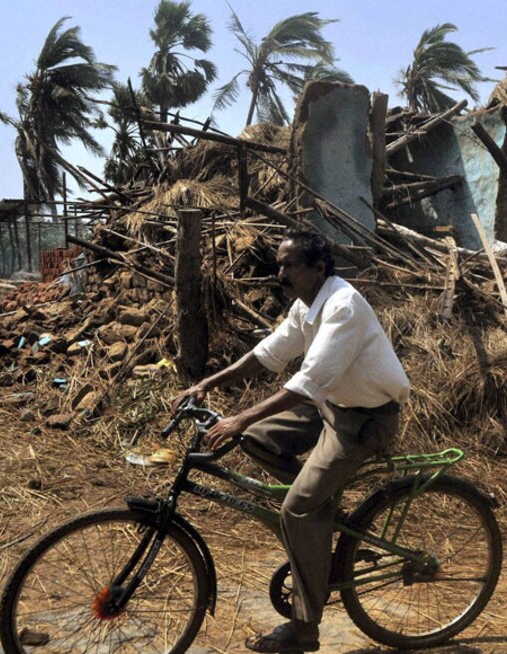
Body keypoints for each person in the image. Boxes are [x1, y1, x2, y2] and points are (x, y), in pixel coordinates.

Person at [173, 228, 410, 653]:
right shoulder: (306, 305)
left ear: (318, 269)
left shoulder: (342, 307)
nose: (279, 272)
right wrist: (208, 382)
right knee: (257, 439)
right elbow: (268, 353)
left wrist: (239, 417)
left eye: (289, 265)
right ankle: (322, 516)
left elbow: (308, 382)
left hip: (365, 421)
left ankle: (304, 630)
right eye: (278, 264)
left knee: (297, 509)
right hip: (331, 407)